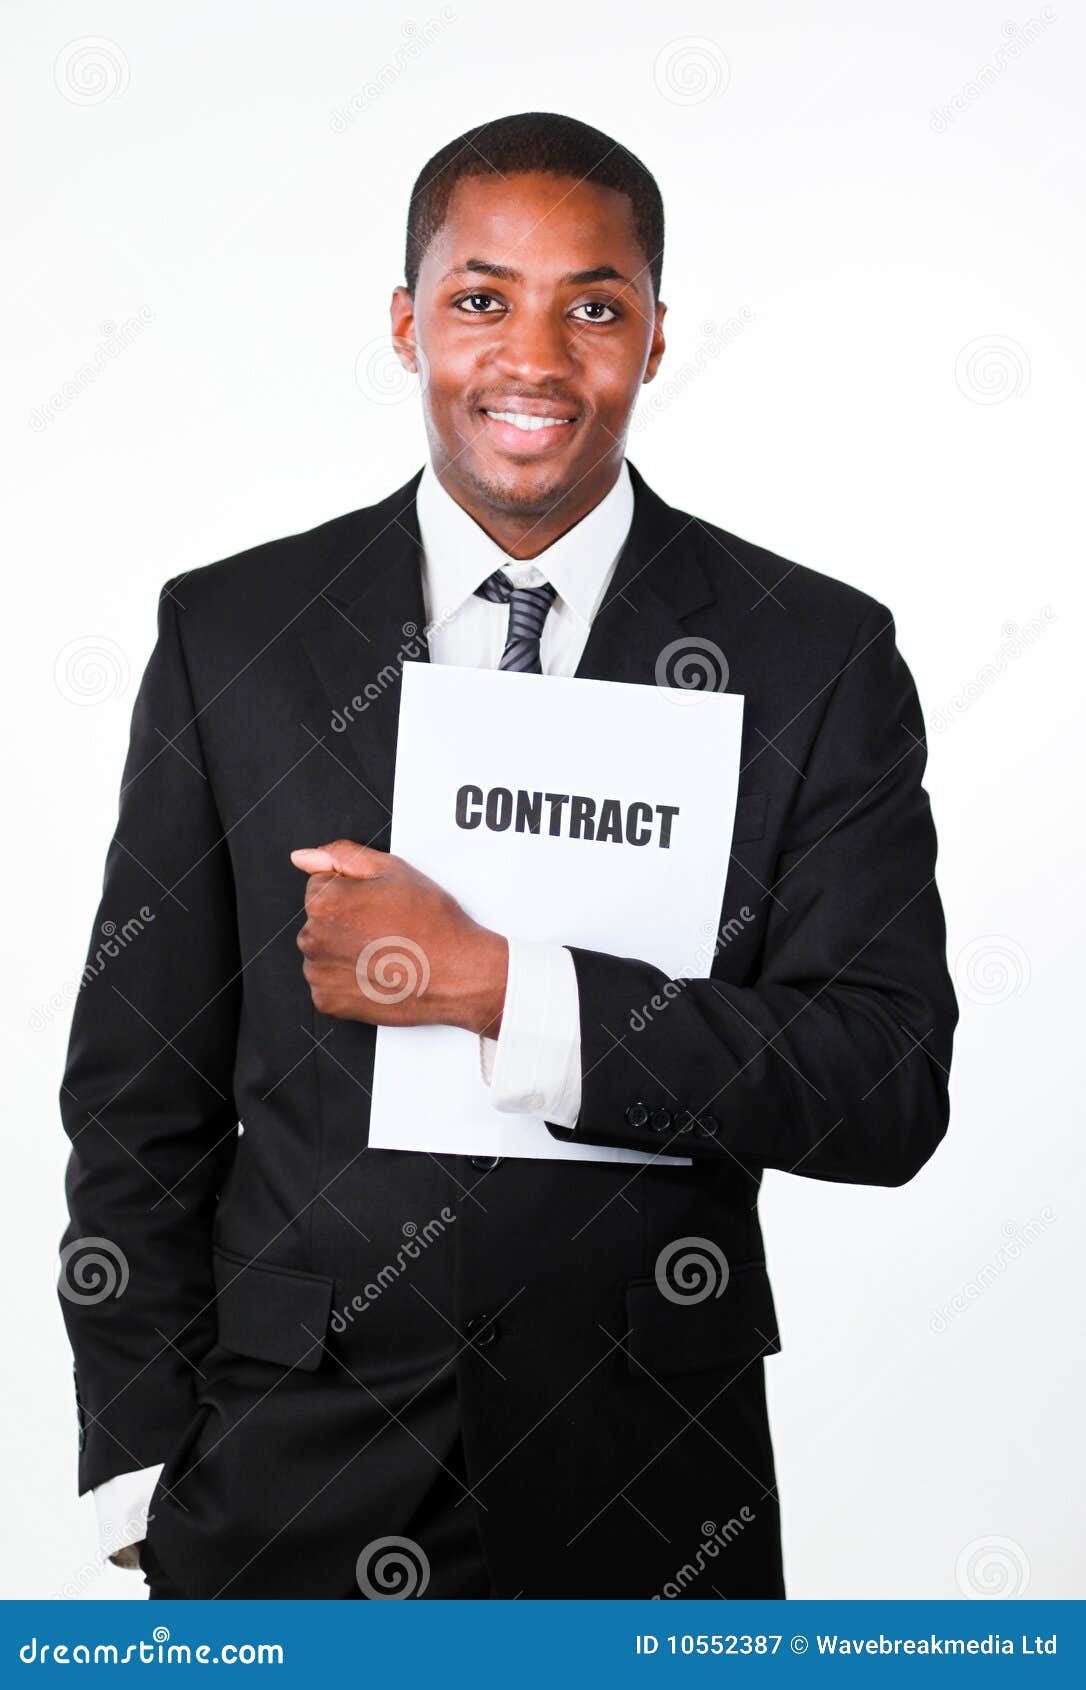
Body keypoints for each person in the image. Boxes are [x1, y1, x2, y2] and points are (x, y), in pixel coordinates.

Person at [58, 110, 957, 1600]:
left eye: (591, 306)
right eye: (481, 299)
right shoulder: (232, 635)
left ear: (655, 336)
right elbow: (137, 1088)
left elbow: (880, 1083)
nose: (532, 359)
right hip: (281, 1478)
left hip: (650, 1481)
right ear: (409, 320)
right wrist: (142, 1464)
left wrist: (502, 987)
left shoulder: (812, 654)